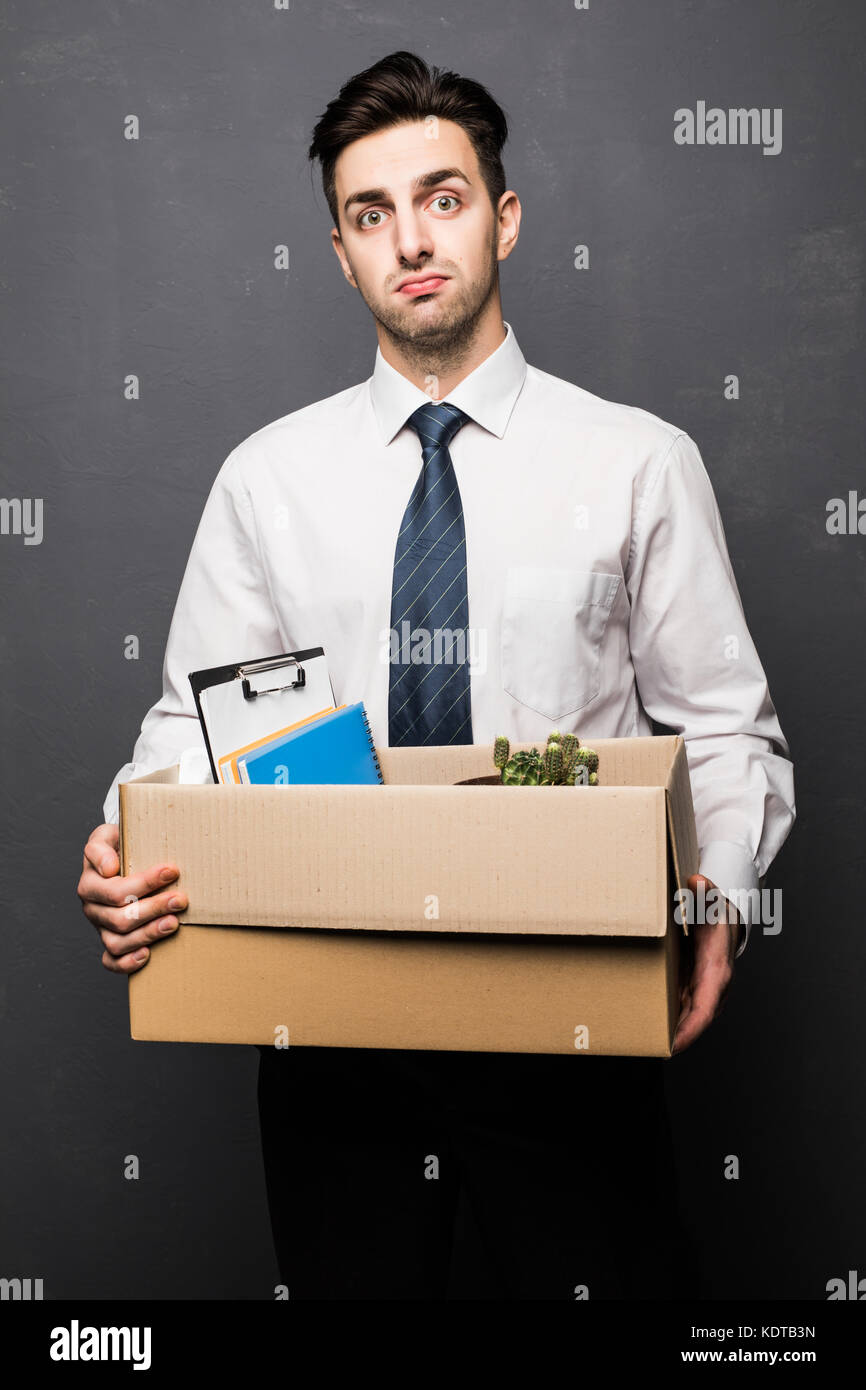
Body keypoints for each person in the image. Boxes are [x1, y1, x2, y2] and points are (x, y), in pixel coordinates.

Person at [77, 51, 796, 1299]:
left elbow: (725, 734)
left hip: (569, 1002)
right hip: (330, 1015)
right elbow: (196, 725)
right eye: (371, 214)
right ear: (341, 252)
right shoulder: (268, 478)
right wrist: (123, 838)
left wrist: (717, 893)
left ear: (503, 218)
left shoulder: (637, 463)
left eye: (442, 197)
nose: (411, 238)